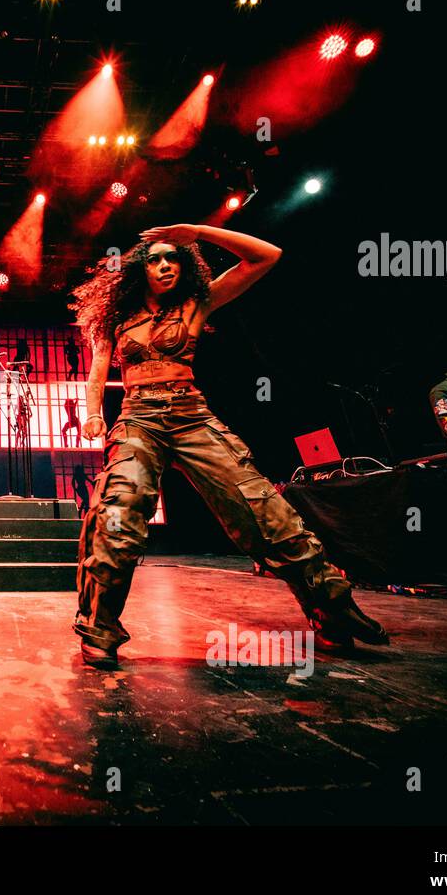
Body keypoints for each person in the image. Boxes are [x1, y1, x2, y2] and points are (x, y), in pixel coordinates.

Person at [69, 223, 389, 667]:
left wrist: (197, 232)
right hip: (138, 419)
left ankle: (330, 608)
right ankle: (98, 628)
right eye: (157, 260)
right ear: (140, 269)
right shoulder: (114, 319)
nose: (165, 266)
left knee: (264, 510)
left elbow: (266, 256)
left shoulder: (198, 303)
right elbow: (96, 371)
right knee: (118, 514)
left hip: (191, 416)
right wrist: (92, 413)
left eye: (173, 259)